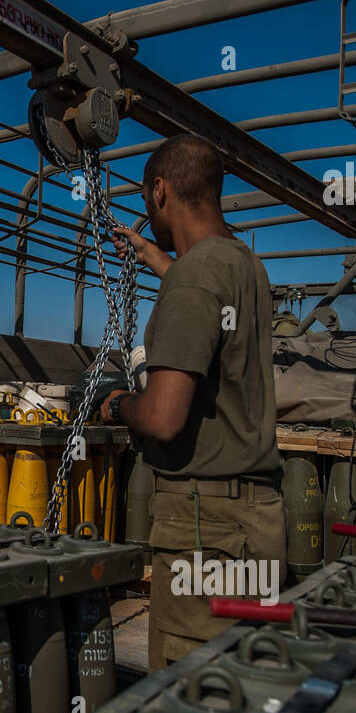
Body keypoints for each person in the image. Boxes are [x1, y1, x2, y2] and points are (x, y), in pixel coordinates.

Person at [100, 134, 284, 672]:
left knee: (190, 692)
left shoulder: (194, 279)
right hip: (254, 524)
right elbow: (207, 301)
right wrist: (154, 256)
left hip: (206, 528)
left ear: (160, 190)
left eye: (144, 200)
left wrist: (117, 406)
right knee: (240, 683)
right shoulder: (244, 265)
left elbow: (161, 417)